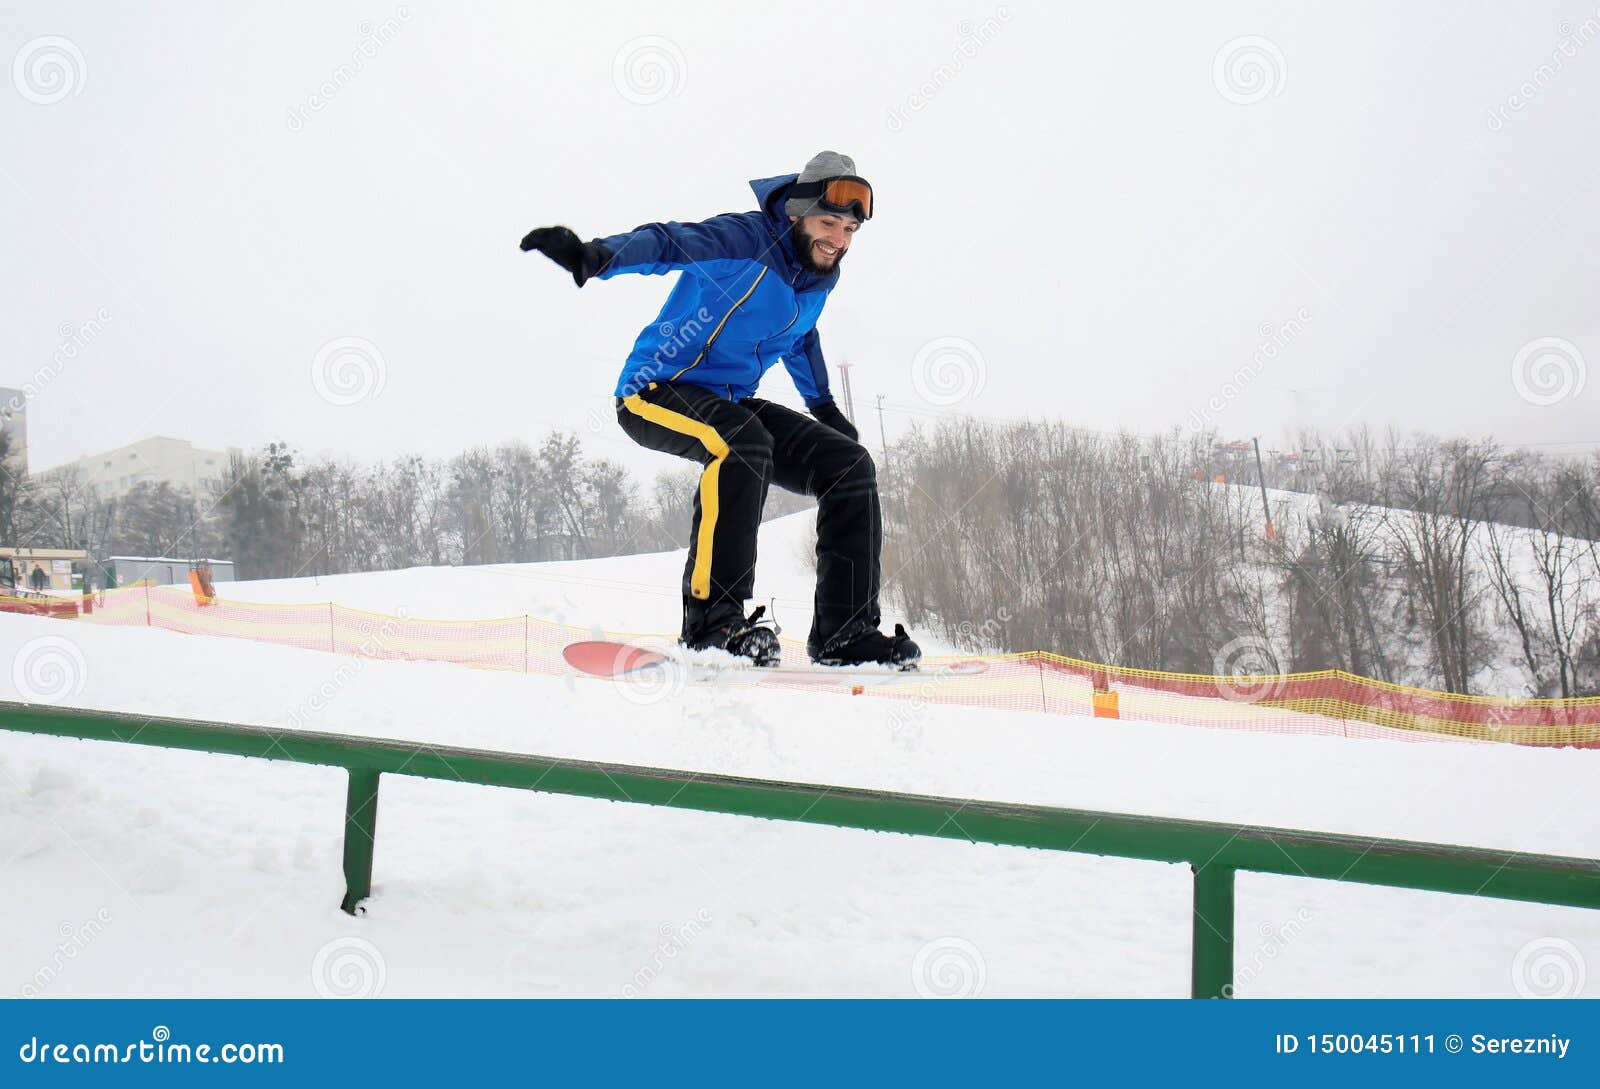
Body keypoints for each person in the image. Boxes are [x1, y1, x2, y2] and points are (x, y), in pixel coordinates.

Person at [520, 150, 919, 669]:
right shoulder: (745, 239)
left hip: (730, 401)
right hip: (654, 389)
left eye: (849, 230)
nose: (838, 240)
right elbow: (670, 241)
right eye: (828, 224)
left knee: (849, 465)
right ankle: (711, 623)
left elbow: (800, 335)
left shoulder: (819, 274)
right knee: (741, 442)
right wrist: (595, 256)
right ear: (797, 213)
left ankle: (845, 633)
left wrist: (821, 404)